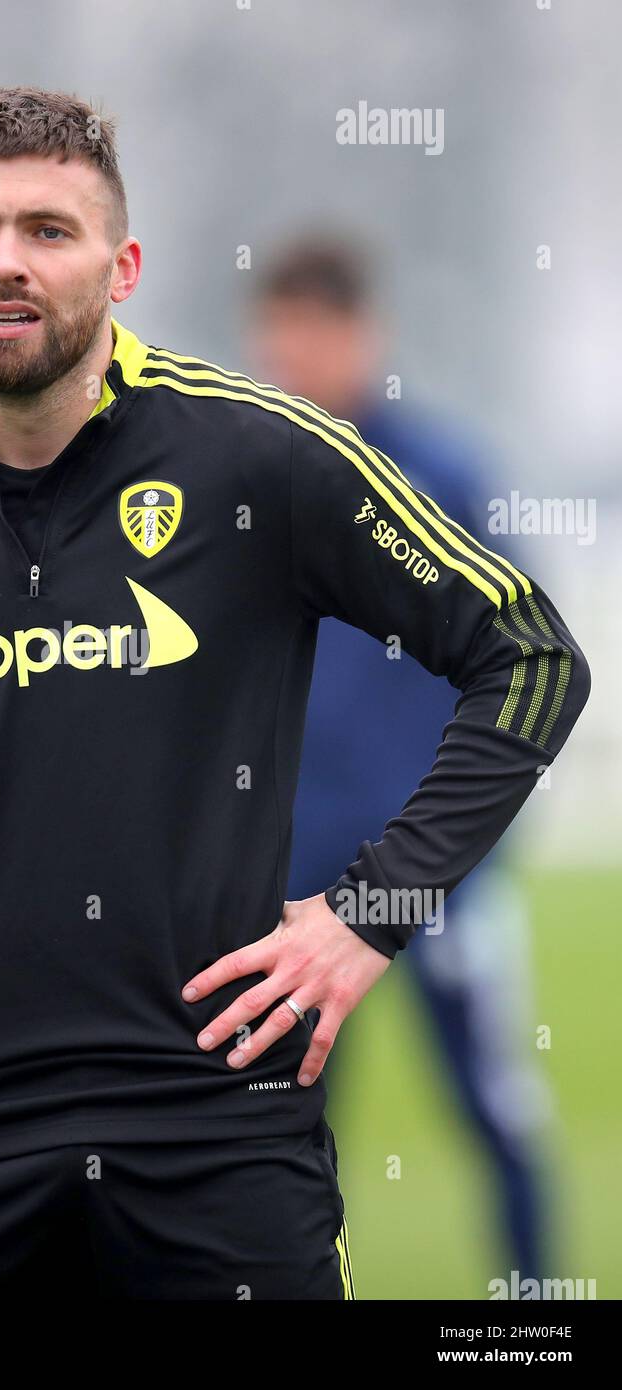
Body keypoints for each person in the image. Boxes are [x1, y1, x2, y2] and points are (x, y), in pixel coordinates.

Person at [0, 85, 590, 1301]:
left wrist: (369, 911)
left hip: (223, 1149)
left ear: (123, 263)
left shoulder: (261, 457)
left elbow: (530, 656)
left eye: (49, 229)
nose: (7, 264)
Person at [244, 237, 558, 1285]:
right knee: (274, 1134)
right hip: (291, 883)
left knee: (496, 1105)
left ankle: (528, 1318)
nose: (297, 352)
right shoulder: (244, 477)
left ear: (361, 332)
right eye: (279, 330)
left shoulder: (442, 471)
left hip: (438, 876)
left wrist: (485, 846)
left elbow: (527, 666)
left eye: (316, 329)